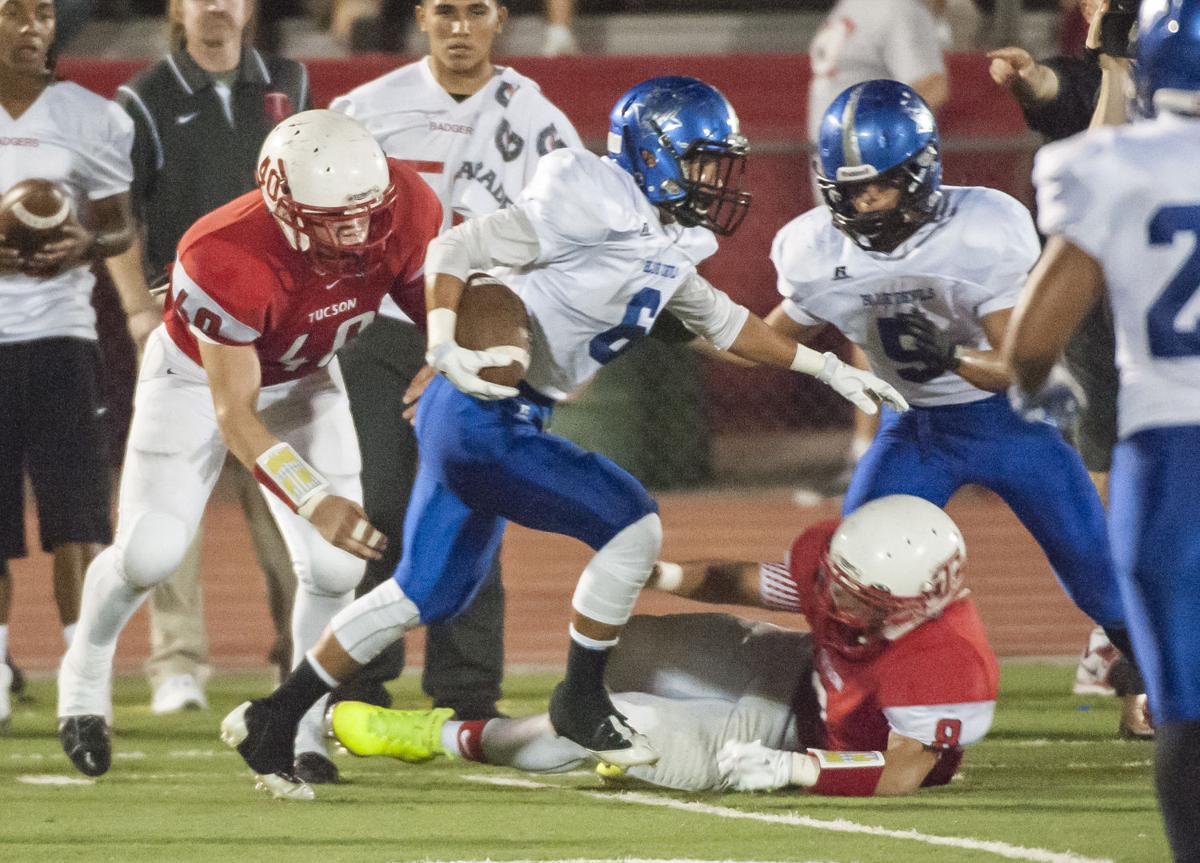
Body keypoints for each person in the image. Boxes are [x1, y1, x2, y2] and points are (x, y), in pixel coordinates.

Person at [221, 74, 907, 800]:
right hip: (485, 406)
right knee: (632, 521)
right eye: (701, 160)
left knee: (423, 594)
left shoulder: (665, 234)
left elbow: (725, 321)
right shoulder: (588, 193)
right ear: (653, 155)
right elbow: (456, 247)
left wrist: (828, 367)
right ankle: (582, 697)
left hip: (497, 417)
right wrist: (445, 340)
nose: (714, 178)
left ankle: (276, 713)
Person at [56, 109, 442, 781]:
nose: (356, 231)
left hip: (305, 378)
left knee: (334, 567)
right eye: (332, 219)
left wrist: (446, 352)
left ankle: (304, 724)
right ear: (285, 206)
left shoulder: (406, 206)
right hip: (195, 383)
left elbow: (438, 304)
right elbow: (234, 414)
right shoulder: (225, 252)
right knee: (151, 551)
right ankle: (84, 670)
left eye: (366, 212)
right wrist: (314, 497)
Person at [764, 78, 1140, 687]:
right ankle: (857, 701)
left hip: (1011, 424)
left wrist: (950, 355)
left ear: (921, 172)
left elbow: (1019, 366)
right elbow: (769, 342)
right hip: (914, 427)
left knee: (1095, 571)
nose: (869, 203)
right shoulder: (815, 249)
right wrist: (695, 317)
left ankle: (1158, 686)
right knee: (855, 575)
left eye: (883, 184)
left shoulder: (981, 227)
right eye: (854, 190)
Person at [329, 496, 998, 796]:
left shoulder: (947, 657)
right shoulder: (845, 575)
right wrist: (664, 575)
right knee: (627, 644)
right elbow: (761, 585)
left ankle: (443, 736)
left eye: (860, 599)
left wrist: (799, 770)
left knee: (615, 727)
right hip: (796, 669)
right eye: (836, 583)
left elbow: (906, 770)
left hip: (809, 739)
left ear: (914, 604)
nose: (837, 599)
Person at [328, 0, 581, 721]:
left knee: (474, 498)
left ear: (501, 18)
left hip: (485, 330)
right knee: (379, 502)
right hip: (379, 332)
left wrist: (475, 341)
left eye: (476, 11)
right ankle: (356, 685)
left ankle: (467, 693)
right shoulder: (365, 109)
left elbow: (562, 248)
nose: (460, 27)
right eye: (446, 10)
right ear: (421, 16)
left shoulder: (541, 122)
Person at [1004, 2, 1200, 857]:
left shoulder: (1113, 166)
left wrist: (1045, 390)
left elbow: (1030, 342)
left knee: (1184, 709)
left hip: (1165, 461)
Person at [106, 0, 311, 719]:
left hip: (278, 327)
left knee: (286, 495)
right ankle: (177, 660)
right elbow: (117, 211)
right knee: (173, 499)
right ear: (176, 9)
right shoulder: (142, 99)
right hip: (183, 321)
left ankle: (299, 653)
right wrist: (137, 308)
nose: (216, 4)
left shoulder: (293, 81)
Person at [988, 0, 1149, 733]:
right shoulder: (1101, 87)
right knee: (1123, 481)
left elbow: (1097, 171)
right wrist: (1040, 82)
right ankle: (1127, 657)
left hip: (1130, 313)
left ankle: (1130, 660)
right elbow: (1059, 92)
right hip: (1113, 315)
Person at [0, 0, 136, 728]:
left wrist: (83, 241)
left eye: (42, 14)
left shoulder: (93, 116)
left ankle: (82, 679)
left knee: (78, 516)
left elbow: (120, 222)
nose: (30, 28)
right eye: (14, 13)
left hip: (62, 333)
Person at [806, 0, 949, 492]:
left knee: (883, 305)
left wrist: (873, 160)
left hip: (875, 190)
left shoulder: (897, 8)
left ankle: (890, 447)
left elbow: (931, 85)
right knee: (862, 307)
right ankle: (878, 448)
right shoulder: (856, 7)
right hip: (845, 190)